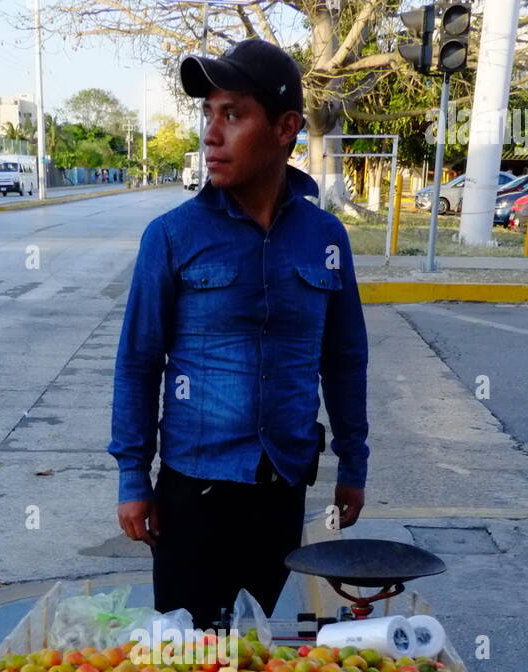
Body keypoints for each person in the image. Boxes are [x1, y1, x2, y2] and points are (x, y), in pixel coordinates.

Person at [109, 36, 369, 629]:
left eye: (233, 115)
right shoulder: (172, 236)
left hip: (282, 487)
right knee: (188, 666)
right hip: (192, 488)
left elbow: (345, 359)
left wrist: (353, 462)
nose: (211, 134)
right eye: (208, 114)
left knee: (269, 666)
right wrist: (132, 476)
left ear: (285, 129)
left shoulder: (326, 239)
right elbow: (139, 363)